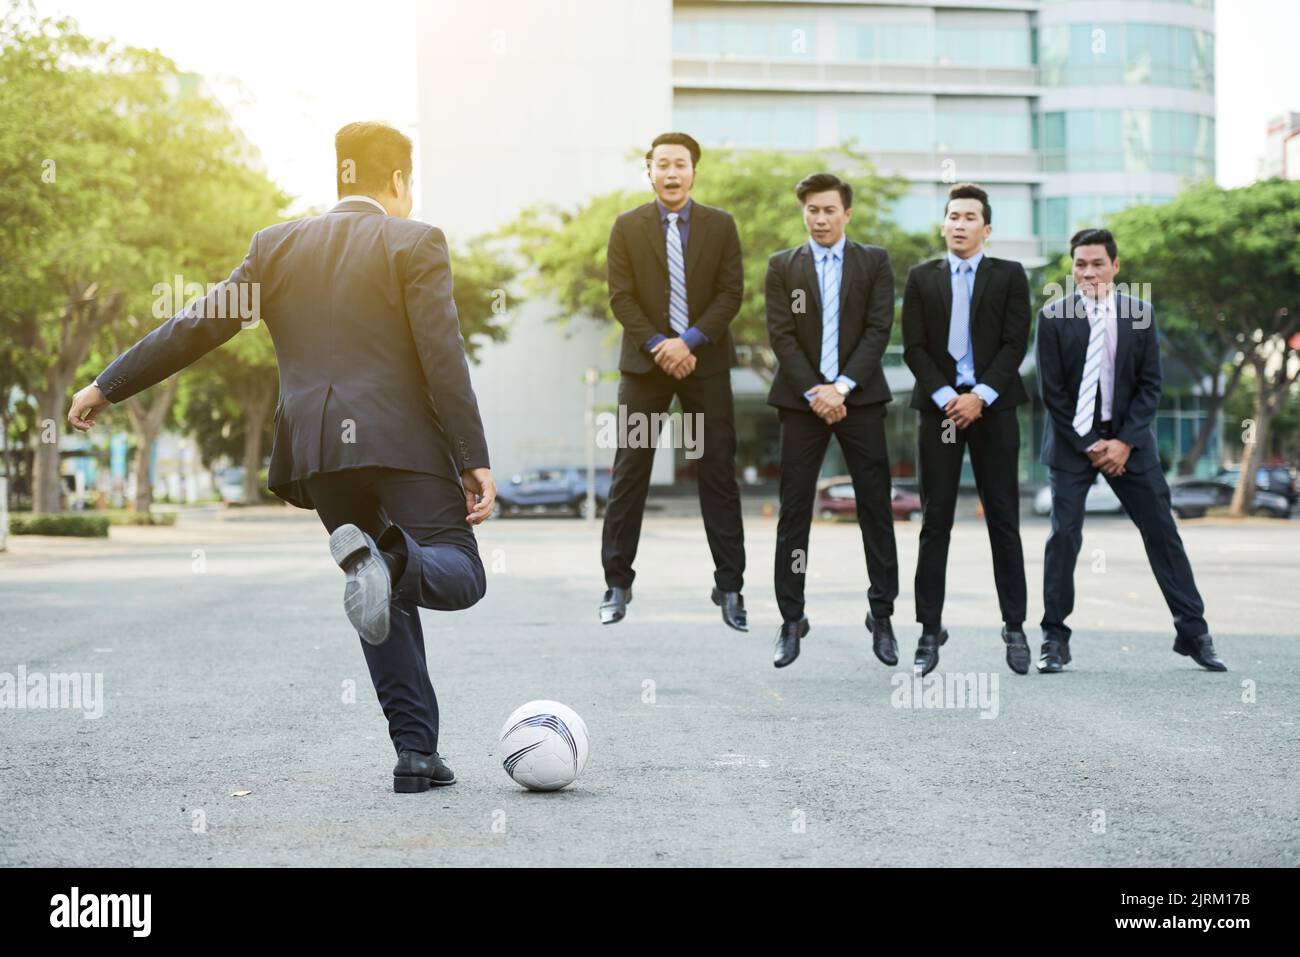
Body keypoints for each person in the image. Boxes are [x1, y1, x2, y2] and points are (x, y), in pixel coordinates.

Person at [67, 121, 497, 792]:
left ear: (341, 177)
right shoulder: (416, 240)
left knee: (379, 590)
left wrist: (107, 383)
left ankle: (417, 752)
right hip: (403, 441)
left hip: (318, 451)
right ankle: (387, 564)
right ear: (397, 182)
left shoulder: (277, 246)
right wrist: (473, 455)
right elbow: (444, 357)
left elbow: (196, 325)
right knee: (460, 571)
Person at [1035, 227, 1225, 673]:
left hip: (1130, 444)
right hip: (1071, 444)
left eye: (1097, 263)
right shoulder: (1053, 316)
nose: (1088, 272)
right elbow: (1053, 392)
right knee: (1063, 537)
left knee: (1163, 533)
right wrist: (1089, 445)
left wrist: (1122, 442)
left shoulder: (1139, 314)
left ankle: (1194, 633)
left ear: (1115, 267)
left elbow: (1150, 385)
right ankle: (1054, 639)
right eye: (1080, 264)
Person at [598, 132, 747, 631]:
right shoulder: (626, 227)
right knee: (630, 473)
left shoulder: (721, 226)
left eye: (680, 164)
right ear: (650, 171)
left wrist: (690, 341)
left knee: (717, 474)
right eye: (662, 164)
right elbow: (621, 297)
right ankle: (617, 582)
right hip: (646, 369)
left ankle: (730, 586)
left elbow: (731, 293)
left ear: (693, 171)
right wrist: (662, 344)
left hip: (704, 366)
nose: (671, 173)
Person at [764, 172, 899, 669]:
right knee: (794, 512)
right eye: (812, 211)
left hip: (858, 401)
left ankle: (881, 615)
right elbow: (781, 334)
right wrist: (816, 391)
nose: (820, 219)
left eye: (828, 210)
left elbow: (879, 327)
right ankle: (791, 618)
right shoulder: (783, 266)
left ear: (846, 213)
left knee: (875, 509)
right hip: (801, 403)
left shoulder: (874, 262)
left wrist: (841, 388)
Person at [901, 183, 1031, 676]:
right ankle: (929, 630)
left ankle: (1015, 627)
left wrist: (981, 397)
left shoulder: (1010, 276)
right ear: (943, 224)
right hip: (941, 413)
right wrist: (947, 398)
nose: (959, 224)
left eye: (969, 217)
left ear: (987, 228)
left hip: (993, 411)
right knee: (936, 521)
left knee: (1004, 519)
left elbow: (1016, 343)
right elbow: (913, 346)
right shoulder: (921, 277)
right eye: (952, 216)